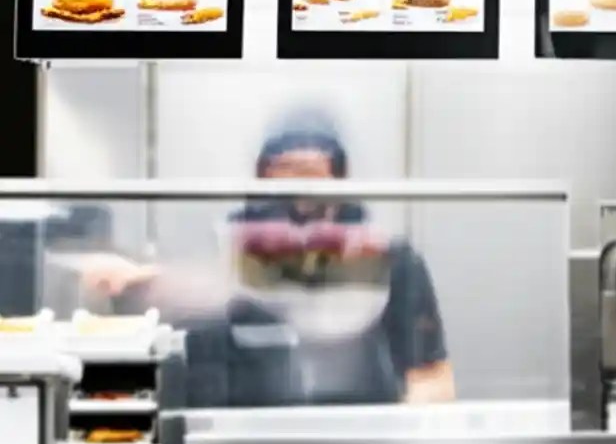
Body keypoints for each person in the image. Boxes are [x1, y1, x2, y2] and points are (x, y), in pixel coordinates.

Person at [87, 108, 455, 406]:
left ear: (340, 180)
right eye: (284, 175)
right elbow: (191, 302)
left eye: (312, 174)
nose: (299, 194)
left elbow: (430, 377)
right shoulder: (230, 252)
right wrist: (136, 284)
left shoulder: (392, 260)